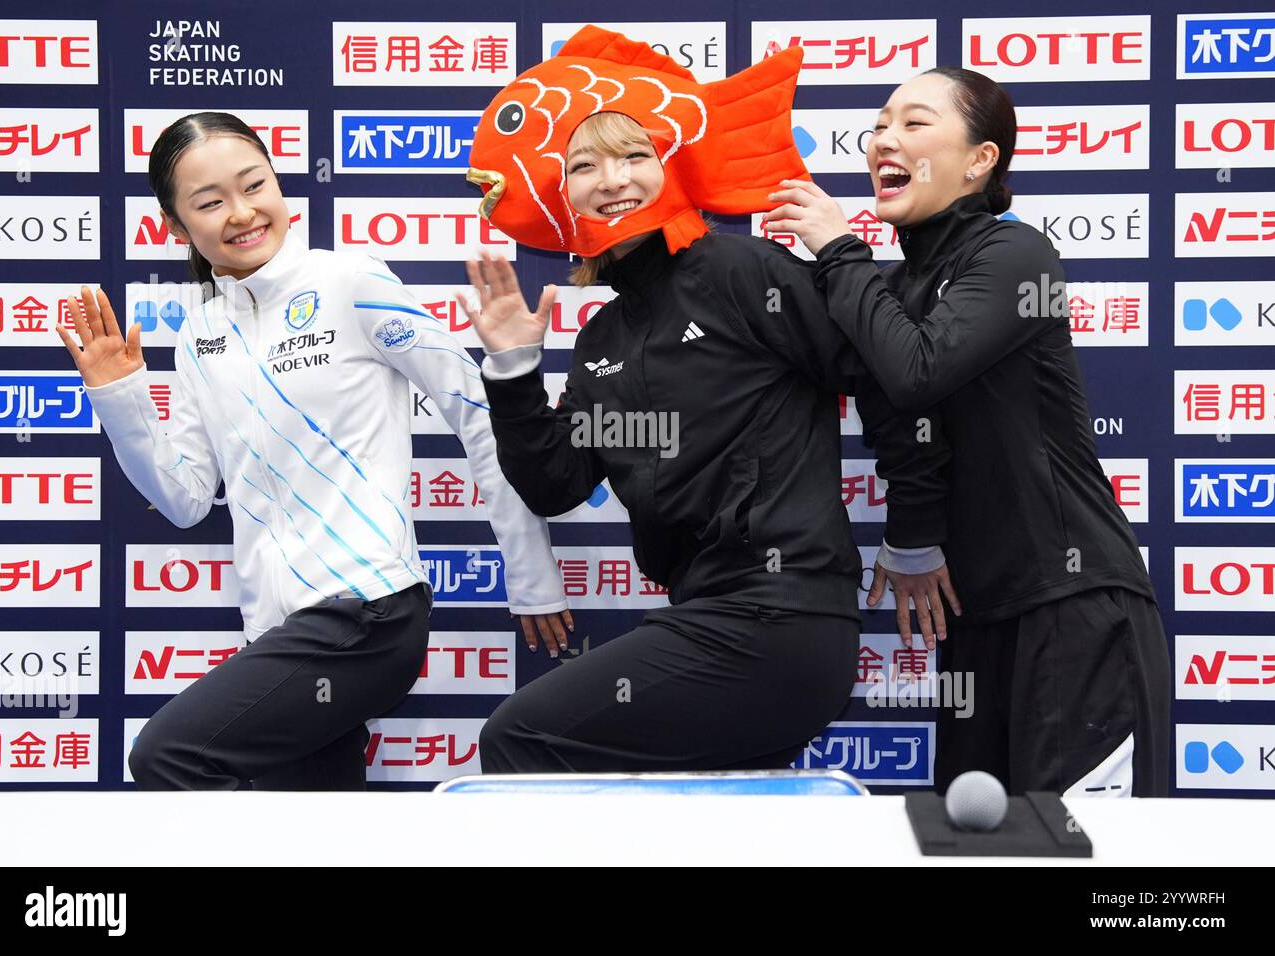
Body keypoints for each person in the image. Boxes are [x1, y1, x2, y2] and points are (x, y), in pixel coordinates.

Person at [57, 111, 568, 790]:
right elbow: (181, 500)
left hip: (368, 612)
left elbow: (475, 411)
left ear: (279, 185)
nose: (242, 213)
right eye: (210, 203)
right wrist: (121, 400)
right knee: (312, 826)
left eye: (254, 184)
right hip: (280, 634)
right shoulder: (199, 333)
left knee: (167, 754)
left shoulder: (351, 281)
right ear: (175, 226)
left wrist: (532, 577)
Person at [463, 105, 952, 773]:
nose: (612, 179)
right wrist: (515, 371)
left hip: (780, 620)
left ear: (672, 172)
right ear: (562, 195)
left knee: (518, 739)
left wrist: (916, 530)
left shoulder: (740, 269)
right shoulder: (602, 337)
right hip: (710, 618)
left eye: (635, 157)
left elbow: (888, 375)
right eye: (585, 165)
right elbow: (556, 485)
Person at [763, 67, 1170, 797]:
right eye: (880, 123)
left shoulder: (1013, 252)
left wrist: (838, 251)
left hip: (1072, 609)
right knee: (983, 848)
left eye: (915, 122)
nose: (884, 136)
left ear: (980, 160)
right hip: (975, 619)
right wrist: (911, 536)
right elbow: (903, 424)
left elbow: (921, 369)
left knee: (1093, 861)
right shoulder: (886, 284)